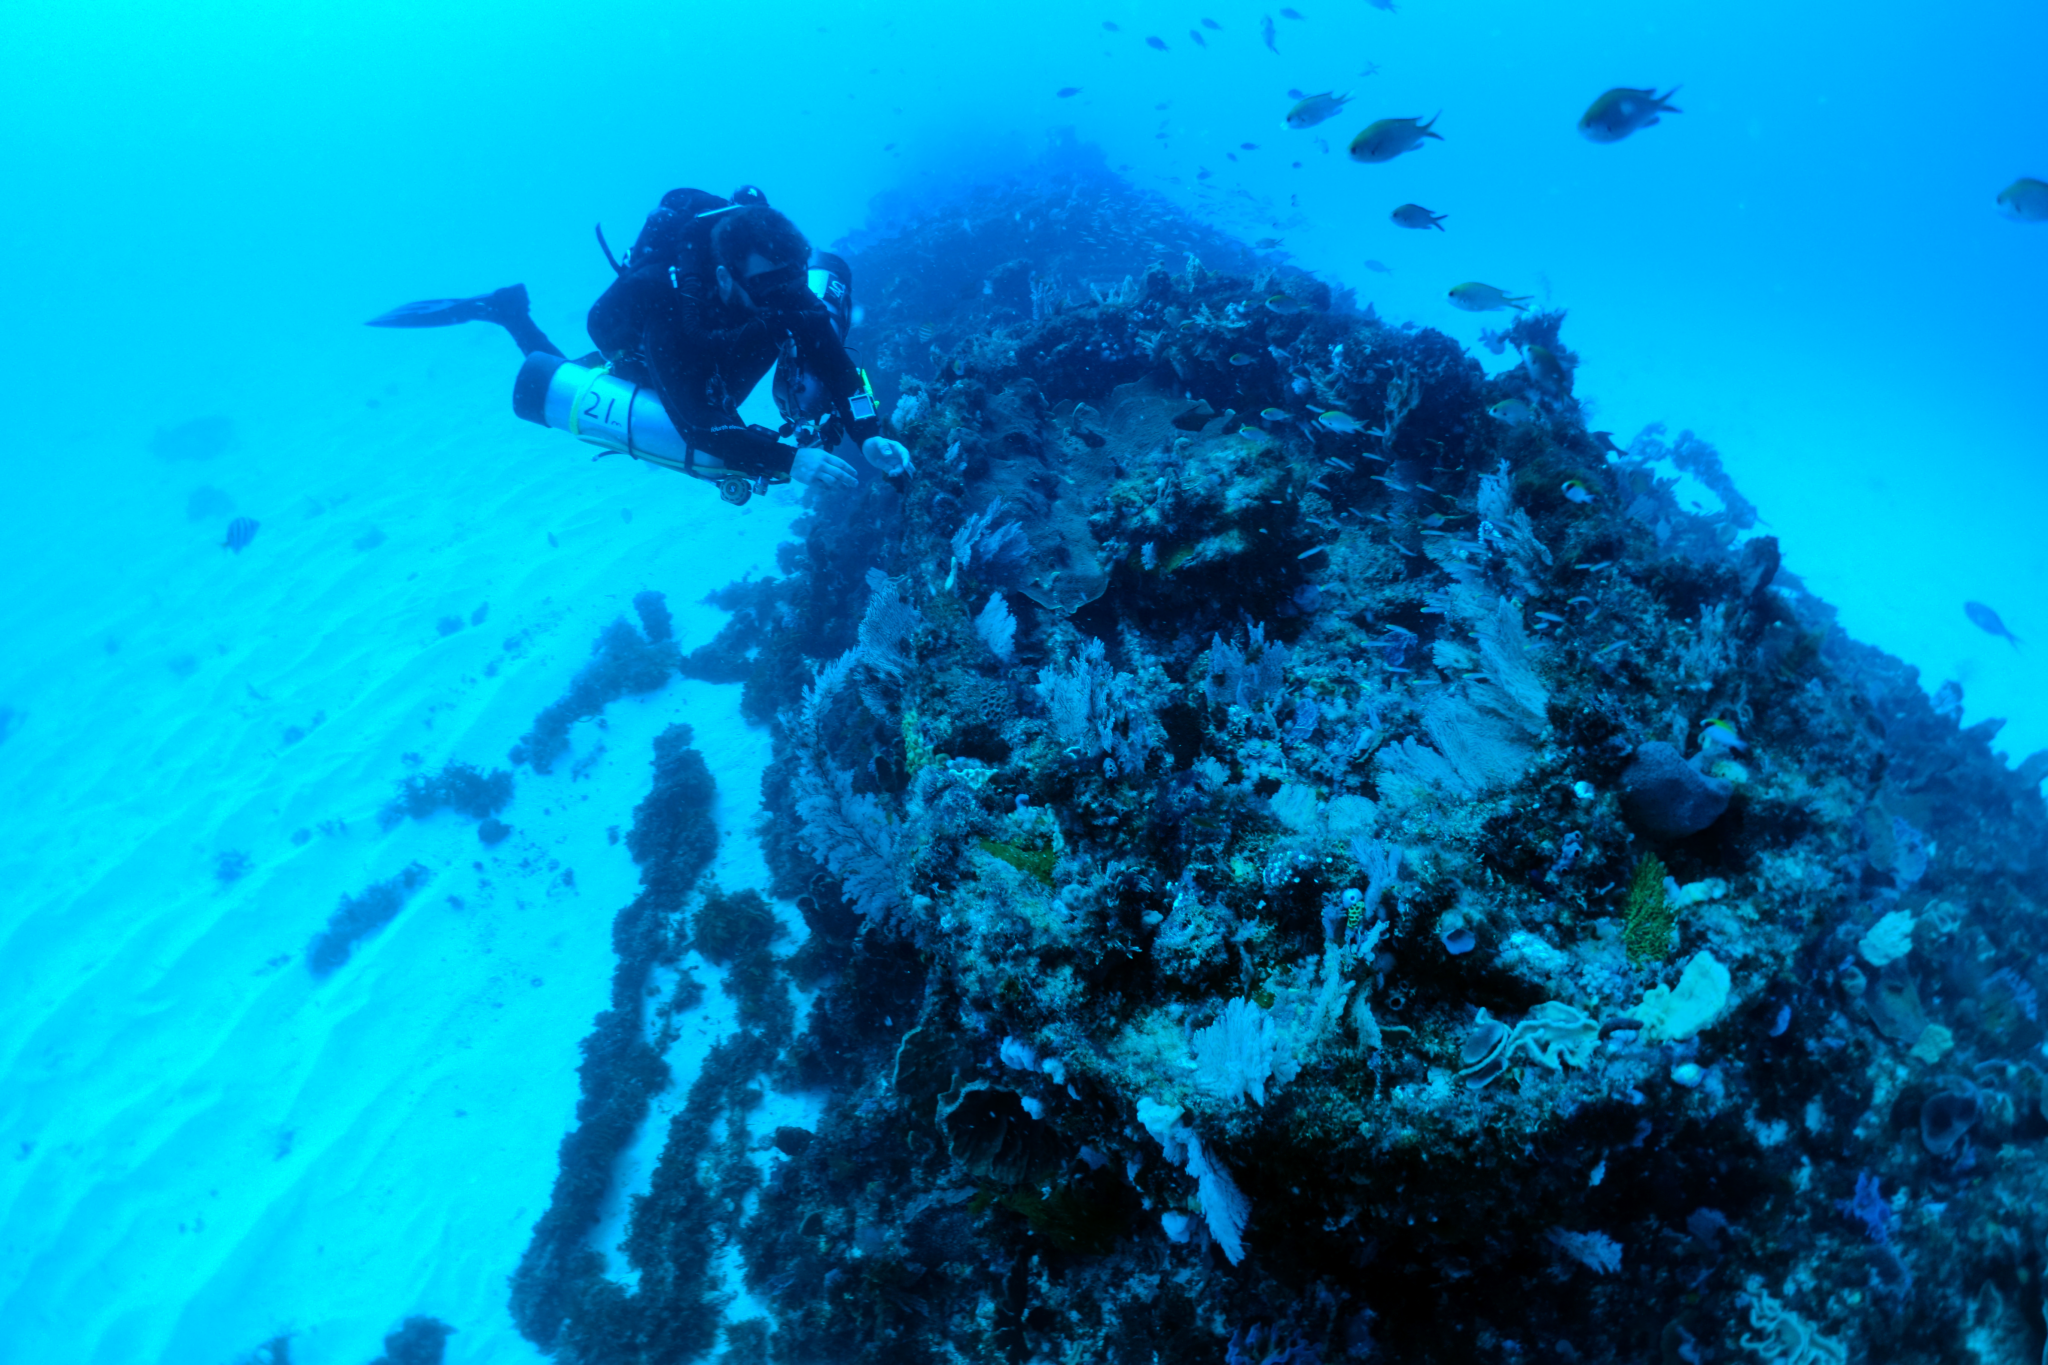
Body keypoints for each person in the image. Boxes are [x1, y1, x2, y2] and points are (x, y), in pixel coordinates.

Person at [368, 185, 907, 491]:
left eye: (792, 279)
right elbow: (699, 426)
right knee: (596, 395)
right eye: (769, 283)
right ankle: (509, 313)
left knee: (806, 337)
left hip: (724, 344)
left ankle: (509, 310)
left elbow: (838, 368)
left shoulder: (781, 289)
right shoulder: (668, 312)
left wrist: (868, 433)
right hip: (654, 356)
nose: (786, 296)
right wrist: (790, 461)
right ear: (724, 275)